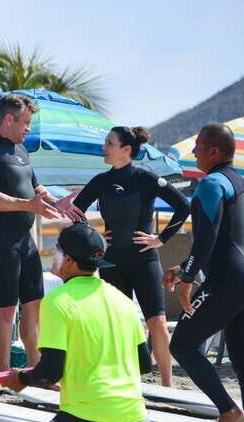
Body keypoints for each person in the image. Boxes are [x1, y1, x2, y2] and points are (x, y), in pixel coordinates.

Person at [2, 222, 215, 422]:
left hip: (87, 418)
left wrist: (21, 379)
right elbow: (143, 363)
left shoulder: (58, 302)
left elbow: (51, 372)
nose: (53, 254)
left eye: (57, 249)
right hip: (134, 419)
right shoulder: (122, 301)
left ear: (69, 260)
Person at [164, 123, 244, 422]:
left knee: (181, 345)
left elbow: (207, 238)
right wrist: (185, 268)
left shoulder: (210, 184)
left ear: (214, 151)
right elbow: (228, 241)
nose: (194, 152)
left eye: (198, 146)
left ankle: (228, 410)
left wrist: (187, 281)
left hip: (228, 281)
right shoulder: (243, 186)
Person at [62, 127, 190, 387]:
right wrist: (95, 236)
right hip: (111, 262)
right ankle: (125, 377)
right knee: (118, 321)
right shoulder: (101, 181)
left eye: (109, 143)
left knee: (157, 320)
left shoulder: (146, 178)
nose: (104, 148)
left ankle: (167, 385)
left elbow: (184, 206)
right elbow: (76, 212)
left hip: (144, 260)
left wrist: (160, 239)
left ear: (126, 150)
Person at [0, 93, 75, 369]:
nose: (28, 128)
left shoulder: (22, 150)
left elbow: (37, 189)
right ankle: (3, 373)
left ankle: (35, 368)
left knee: (34, 305)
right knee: (6, 308)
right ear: (8, 119)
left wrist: (57, 203)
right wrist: (29, 204)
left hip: (24, 239)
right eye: (26, 122)